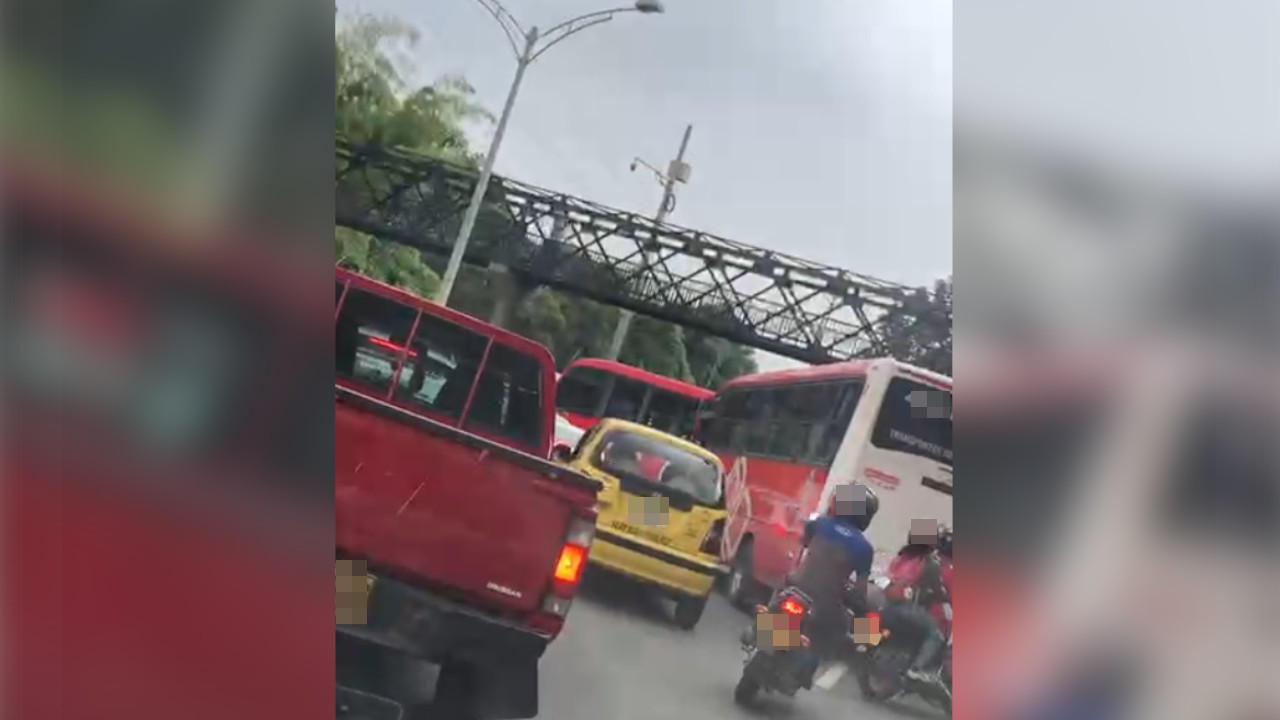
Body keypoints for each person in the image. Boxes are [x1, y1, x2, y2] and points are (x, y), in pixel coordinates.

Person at [786, 483, 880, 677]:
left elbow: (804, 545)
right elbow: (860, 593)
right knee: (839, 632)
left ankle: (761, 633)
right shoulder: (864, 548)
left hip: (797, 585)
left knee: (780, 595)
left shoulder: (818, 524)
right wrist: (858, 605)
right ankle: (861, 655)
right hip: (825, 604)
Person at [883, 520, 951, 686]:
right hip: (904, 608)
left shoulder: (902, 556)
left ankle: (861, 645)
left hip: (887, 603)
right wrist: (944, 596)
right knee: (936, 635)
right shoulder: (929, 562)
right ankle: (916, 669)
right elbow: (938, 588)